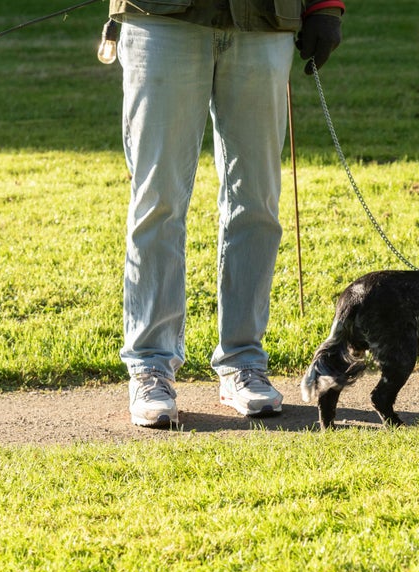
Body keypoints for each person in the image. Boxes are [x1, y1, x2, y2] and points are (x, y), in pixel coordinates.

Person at [109, 0, 344, 428]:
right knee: (157, 202)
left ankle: (243, 362)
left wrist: (326, 6)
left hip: (265, 18)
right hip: (160, 17)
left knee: (256, 202)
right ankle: (150, 366)